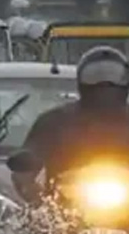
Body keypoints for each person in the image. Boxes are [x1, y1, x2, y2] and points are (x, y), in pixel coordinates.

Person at [12, 45, 129, 203]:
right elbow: (27, 165)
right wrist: (40, 202)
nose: (105, 84)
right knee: (27, 224)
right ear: (81, 81)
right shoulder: (54, 122)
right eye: (95, 77)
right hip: (66, 209)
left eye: (113, 78)